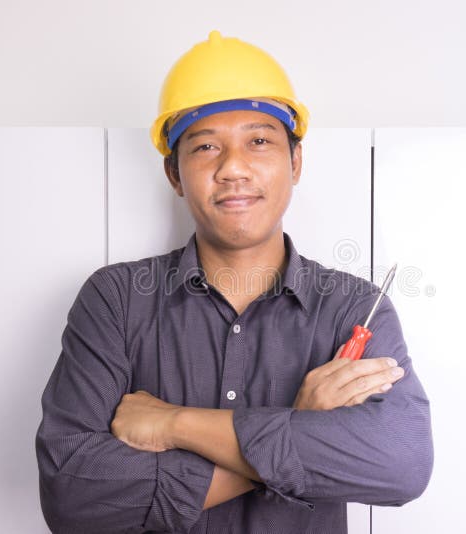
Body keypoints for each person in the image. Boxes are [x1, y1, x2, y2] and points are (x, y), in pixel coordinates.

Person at [35, 30, 433, 534]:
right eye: (204, 147)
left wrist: (174, 424)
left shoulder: (353, 307)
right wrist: (298, 422)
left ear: (296, 162)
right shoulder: (115, 299)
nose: (233, 168)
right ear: (174, 174)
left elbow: (399, 465)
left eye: (259, 141)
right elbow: (74, 497)